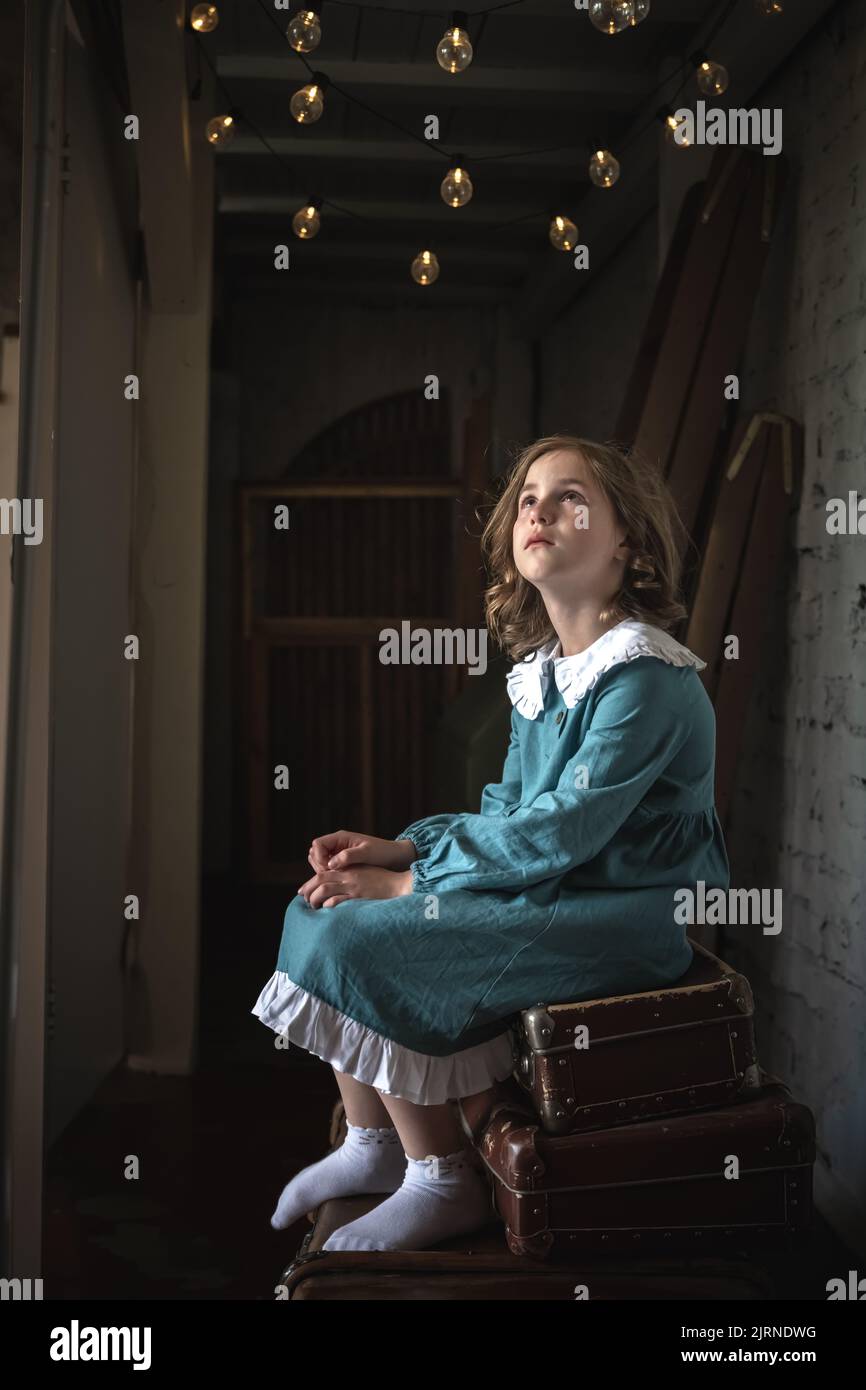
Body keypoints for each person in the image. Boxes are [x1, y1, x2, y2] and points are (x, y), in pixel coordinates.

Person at [251, 433, 730, 1252]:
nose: (539, 509)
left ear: (627, 543)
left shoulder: (647, 678)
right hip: (550, 885)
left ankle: (443, 1179)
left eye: (570, 496)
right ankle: (372, 1143)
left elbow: (560, 831)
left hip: (619, 917)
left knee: (375, 940)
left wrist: (414, 890)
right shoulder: (544, 672)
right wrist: (401, 852)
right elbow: (509, 809)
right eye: (528, 499)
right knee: (320, 911)